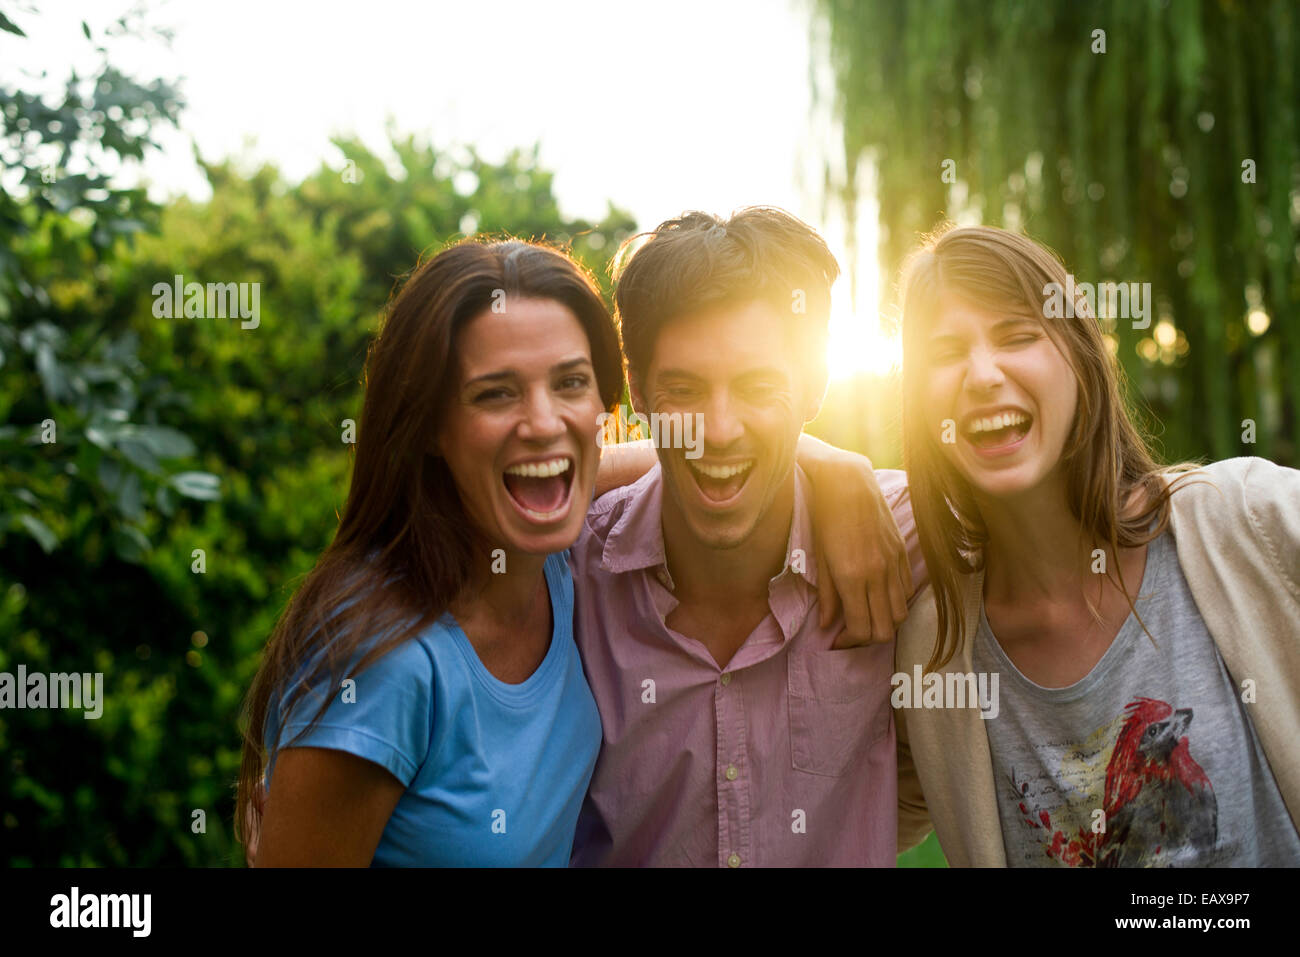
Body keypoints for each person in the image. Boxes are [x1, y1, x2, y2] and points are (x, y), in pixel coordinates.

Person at [892, 224, 1300, 866]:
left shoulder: (1246, 519)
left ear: (1081, 361)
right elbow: (831, 806)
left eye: (1017, 335)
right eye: (945, 353)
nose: (982, 373)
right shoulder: (934, 653)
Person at [237, 238, 624, 866]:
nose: (545, 422)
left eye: (571, 383)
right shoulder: (386, 664)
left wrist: (825, 470)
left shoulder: (548, 554)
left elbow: (680, 461)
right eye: (497, 393)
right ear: (431, 428)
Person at [569, 207, 929, 867]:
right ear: (640, 396)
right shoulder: (571, 575)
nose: (722, 427)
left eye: (759, 387)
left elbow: (1064, 501)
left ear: (814, 385)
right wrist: (823, 458)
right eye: (684, 389)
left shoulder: (902, 530)